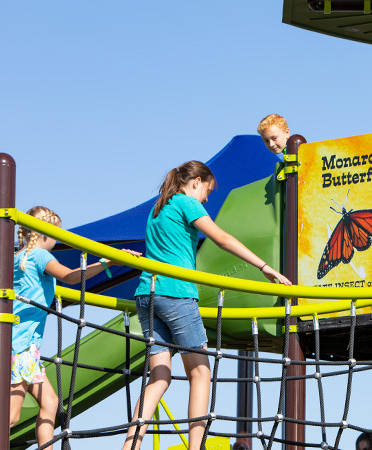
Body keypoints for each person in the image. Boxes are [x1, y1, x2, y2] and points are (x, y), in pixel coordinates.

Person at [122, 161, 292, 450]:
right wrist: (265, 267)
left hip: (147, 295)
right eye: (208, 192)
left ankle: (130, 446)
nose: (207, 199)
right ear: (196, 182)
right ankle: (195, 447)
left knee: (160, 376)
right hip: (176, 293)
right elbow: (222, 238)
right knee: (200, 372)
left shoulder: (158, 209)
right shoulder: (186, 203)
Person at [10, 206, 140, 448]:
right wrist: (107, 261)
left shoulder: (18, 258)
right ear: (44, 234)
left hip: (24, 343)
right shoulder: (39, 256)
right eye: (56, 234)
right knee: (10, 416)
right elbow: (70, 277)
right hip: (21, 345)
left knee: (50, 402)